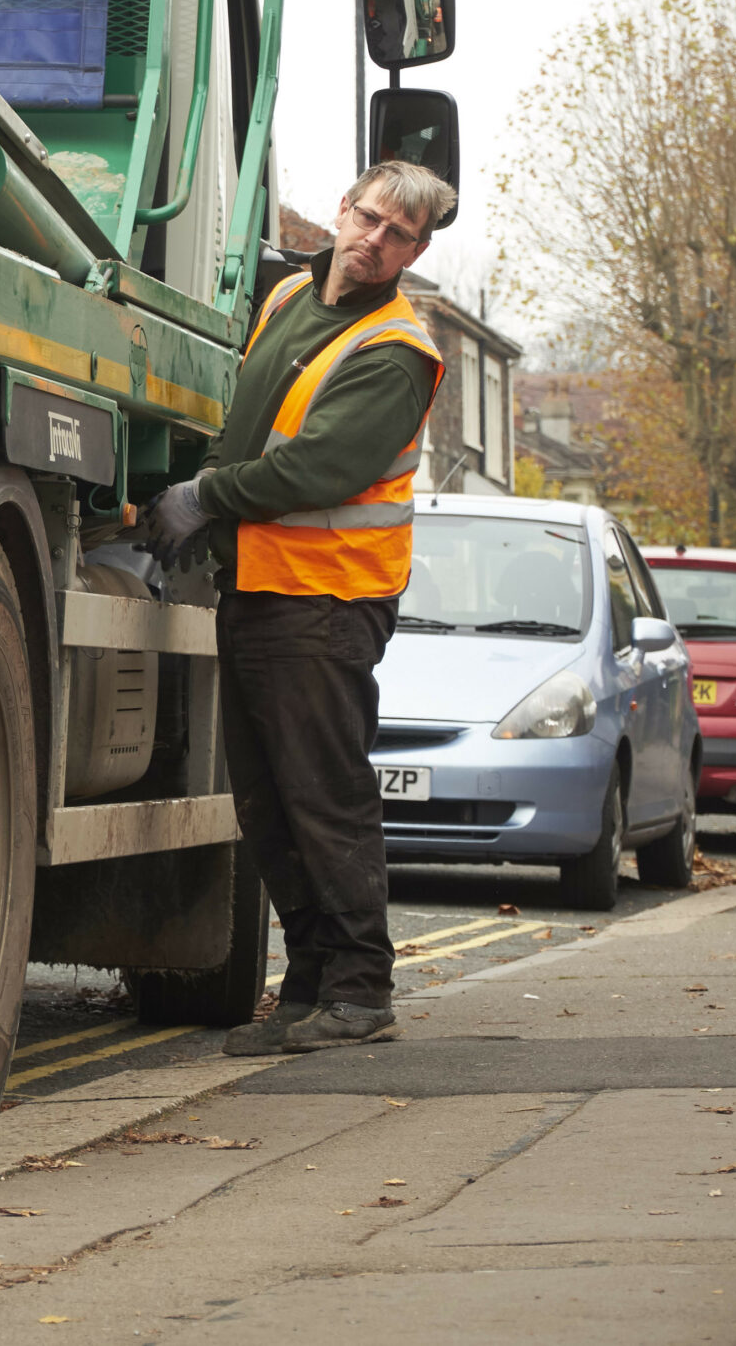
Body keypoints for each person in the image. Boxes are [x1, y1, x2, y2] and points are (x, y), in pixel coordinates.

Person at [149, 161, 453, 1053]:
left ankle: (362, 988)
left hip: (326, 597)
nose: (374, 240)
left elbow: (322, 466)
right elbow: (247, 426)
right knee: (270, 800)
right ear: (340, 210)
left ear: (417, 249)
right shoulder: (288, 303)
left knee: (325, 797)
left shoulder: (398, 349)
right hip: (262, 585)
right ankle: (315, 983)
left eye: (397, 234)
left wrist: (204, 498)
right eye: (367, 218)